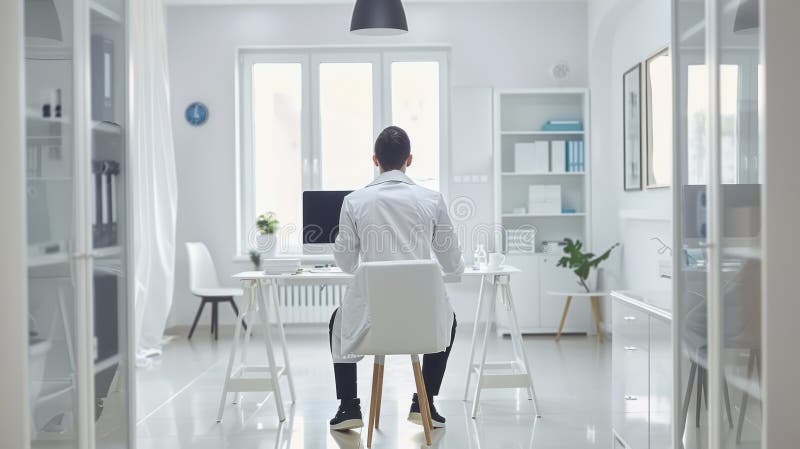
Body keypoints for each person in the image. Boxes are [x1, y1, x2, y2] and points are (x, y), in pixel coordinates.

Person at [328, 126, 465, 431]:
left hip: (370, 324)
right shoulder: (431, 199)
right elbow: (452, 262)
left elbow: (348, 264)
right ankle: (425, 401)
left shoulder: (354, 201)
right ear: (410, 160)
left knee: (337, 321)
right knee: (449, 319)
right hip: (422, 324)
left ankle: (348, 406)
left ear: (375, 160)